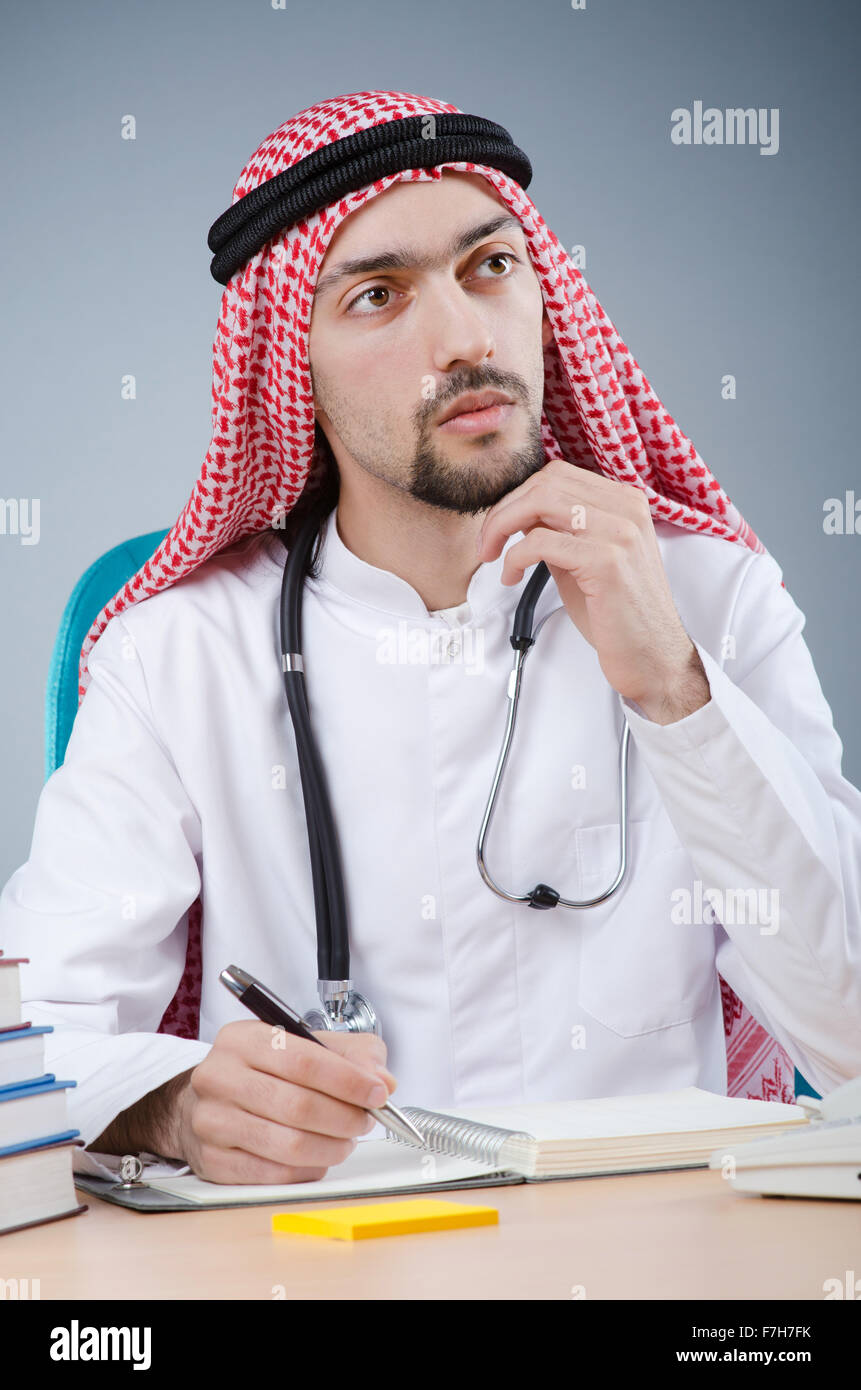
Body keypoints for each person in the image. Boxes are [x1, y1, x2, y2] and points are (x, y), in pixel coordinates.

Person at [2, 91, 860, 1189]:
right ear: (287, 368)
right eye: (376, 295)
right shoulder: (178, 660)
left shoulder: (716, 600)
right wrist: (173, 1106)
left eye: (490, 268)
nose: (463, 338)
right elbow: (30, 1046)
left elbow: (852, 1044)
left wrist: (679, 693)